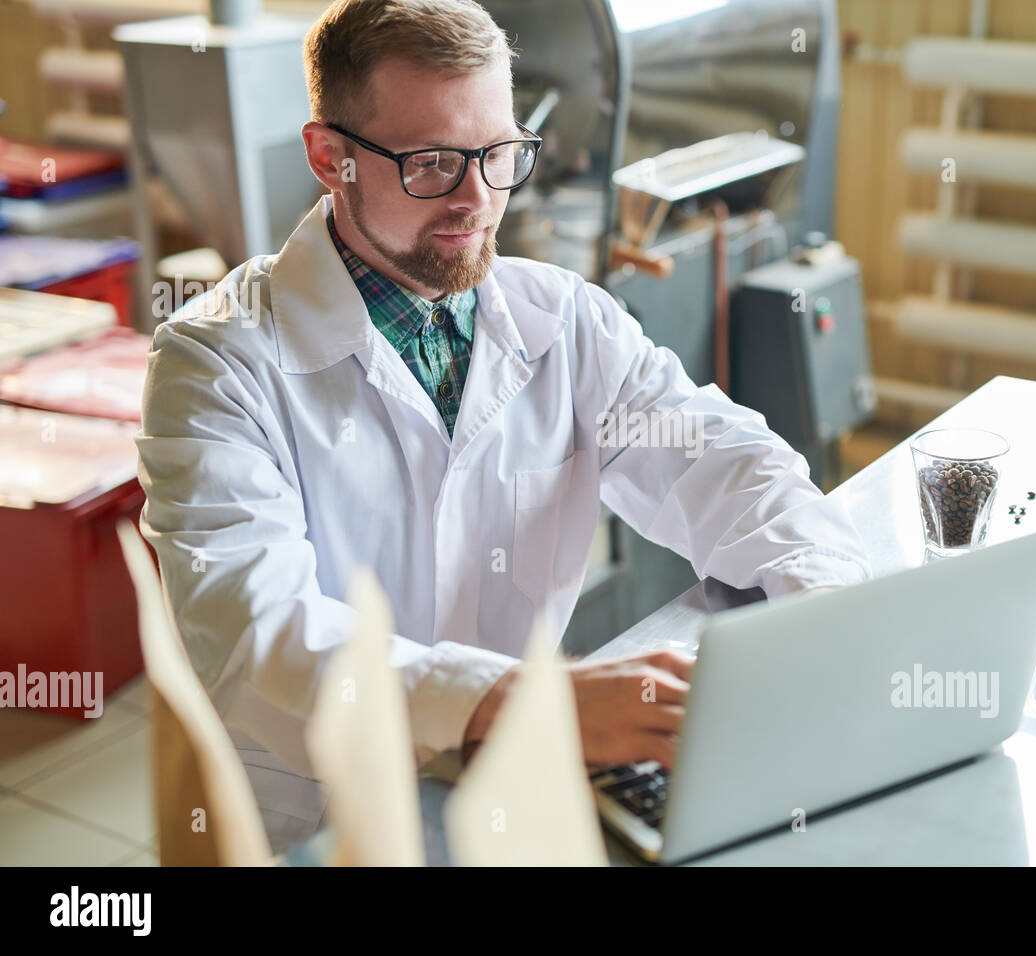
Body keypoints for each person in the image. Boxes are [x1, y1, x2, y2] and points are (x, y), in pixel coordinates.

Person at [136, 0, 872, 853]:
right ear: (328, 157)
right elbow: (257, 638)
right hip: (315, 830)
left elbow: (731, 463)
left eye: (498, 154)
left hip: (515, 801)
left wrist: (824, 614)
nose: (476, 200)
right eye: (434, 163)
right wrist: (530, 704)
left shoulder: (562, 318)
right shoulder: (213, 365)